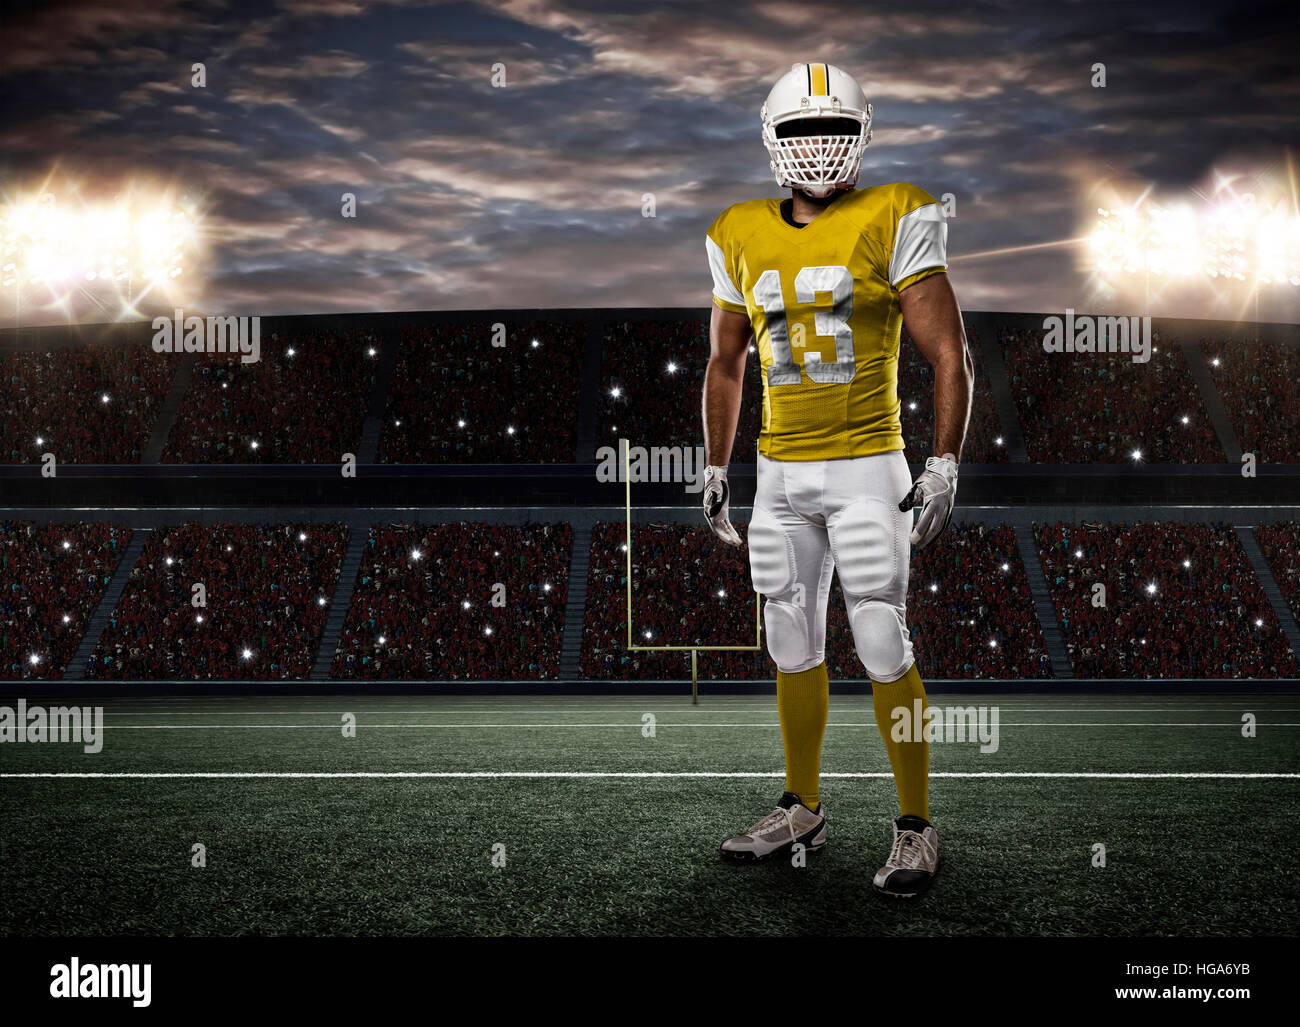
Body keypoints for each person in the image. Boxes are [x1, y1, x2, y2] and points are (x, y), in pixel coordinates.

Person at [701, 62, 973, 898]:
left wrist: (944, 459)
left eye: (835, 132)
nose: (817, 150)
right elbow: (724, 361)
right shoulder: (737, 230)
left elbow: (948, 352)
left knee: (883, 636)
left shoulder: (896, 212)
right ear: (770, 138)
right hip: (780, 470)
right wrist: (715, 463)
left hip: (866, 463)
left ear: (864, 135)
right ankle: (802, 806)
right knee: (789, 633)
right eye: (799, 133)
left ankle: (917, 824)